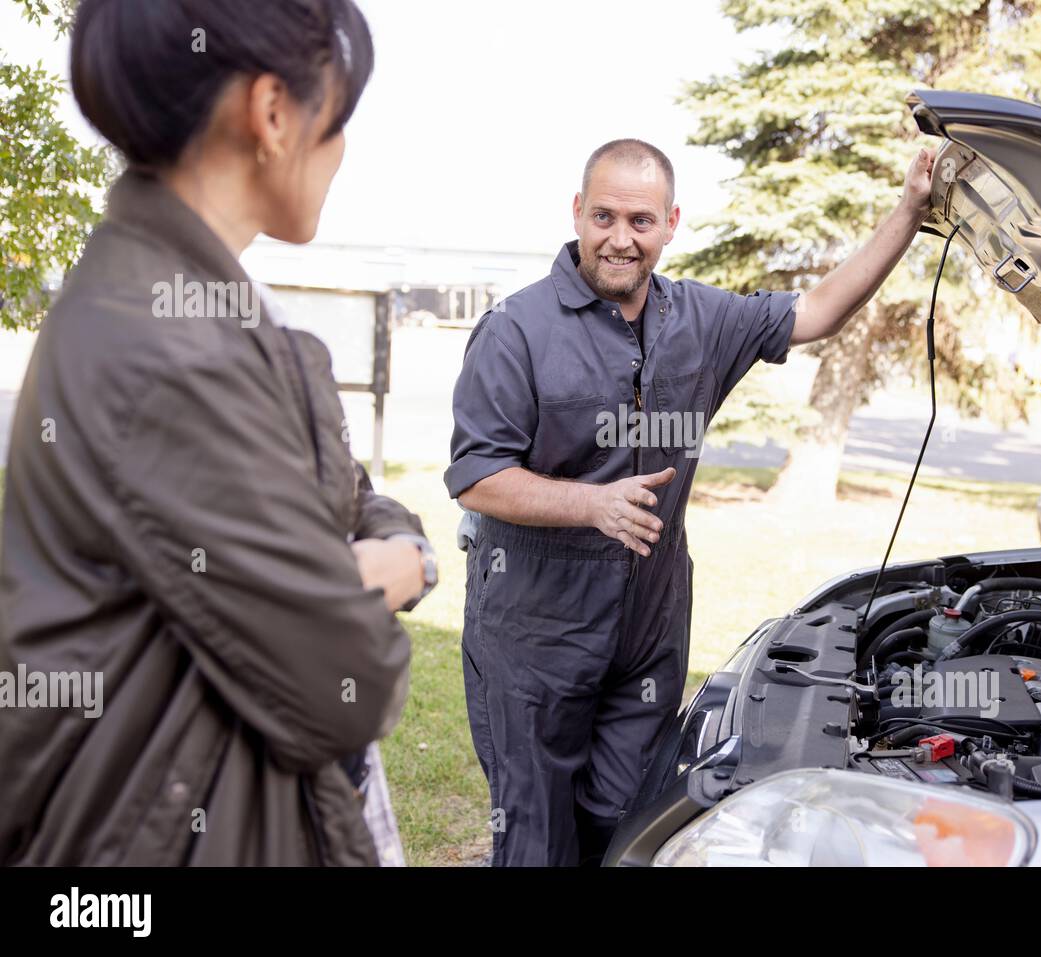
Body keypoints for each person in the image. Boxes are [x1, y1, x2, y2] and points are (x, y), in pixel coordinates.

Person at [0, 0, 437, 865]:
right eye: (338, 119)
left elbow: (343, 501)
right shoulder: (169, 349)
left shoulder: (197, 303)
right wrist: (381, 578)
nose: (343, 150)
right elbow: (341, 678)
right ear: (273, 112)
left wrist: (391, 551)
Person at [446, 137, 936, 865]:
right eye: (605, 216)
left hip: (646, 634)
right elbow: (476, 475)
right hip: (533, 640)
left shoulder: (702, 320)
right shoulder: (516, 330)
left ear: (671, 223)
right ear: (578, 212)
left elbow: (818, 312)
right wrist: (593, 505)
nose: (621, 238)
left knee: (628, 826)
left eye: (640, 221)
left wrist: (908, 210)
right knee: (535, 839)